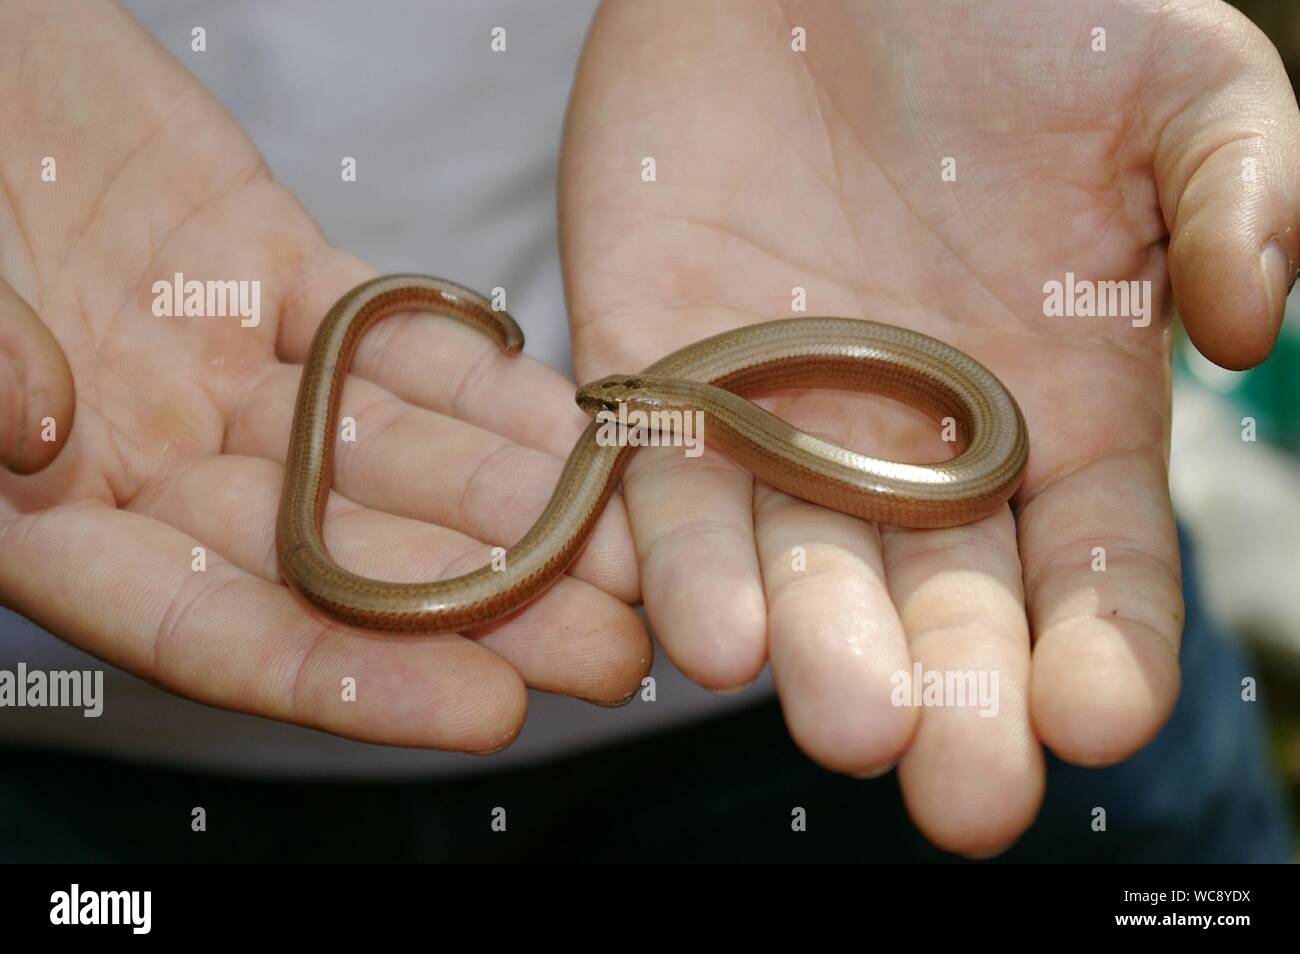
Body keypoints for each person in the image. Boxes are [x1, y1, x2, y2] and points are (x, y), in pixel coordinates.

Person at [0, 0, 1294, 860]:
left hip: (880, 680)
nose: (611, 417)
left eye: (625, 410)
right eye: (621, 411)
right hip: (79, 755)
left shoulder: (720, 406)